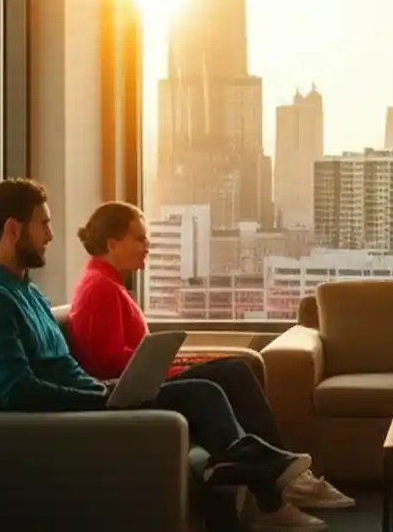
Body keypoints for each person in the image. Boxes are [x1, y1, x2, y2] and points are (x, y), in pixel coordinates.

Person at [0, 179, 324, 530]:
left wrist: (108, 388)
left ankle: (251, 466)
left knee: (211, 387)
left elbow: (63, 367)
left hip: (90, 395)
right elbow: (18, 392)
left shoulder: (24, 291)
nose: (50, 235)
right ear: (13, 229)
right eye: (42, 224)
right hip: (73, 414)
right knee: (203, 392)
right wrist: (102, 395)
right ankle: (264, 468)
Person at [66, 201, 355, 512]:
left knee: (240, 367)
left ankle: (278, 477)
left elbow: (124, 354)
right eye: (140, 238)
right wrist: (168, 365)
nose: (147, 246)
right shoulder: (100, 288)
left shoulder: (109, 284)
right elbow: (106, 361)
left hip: (144, 380)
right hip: (129, 390)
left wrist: (176, 362)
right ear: (113, 243)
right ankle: (285, 481)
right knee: (232, 373)